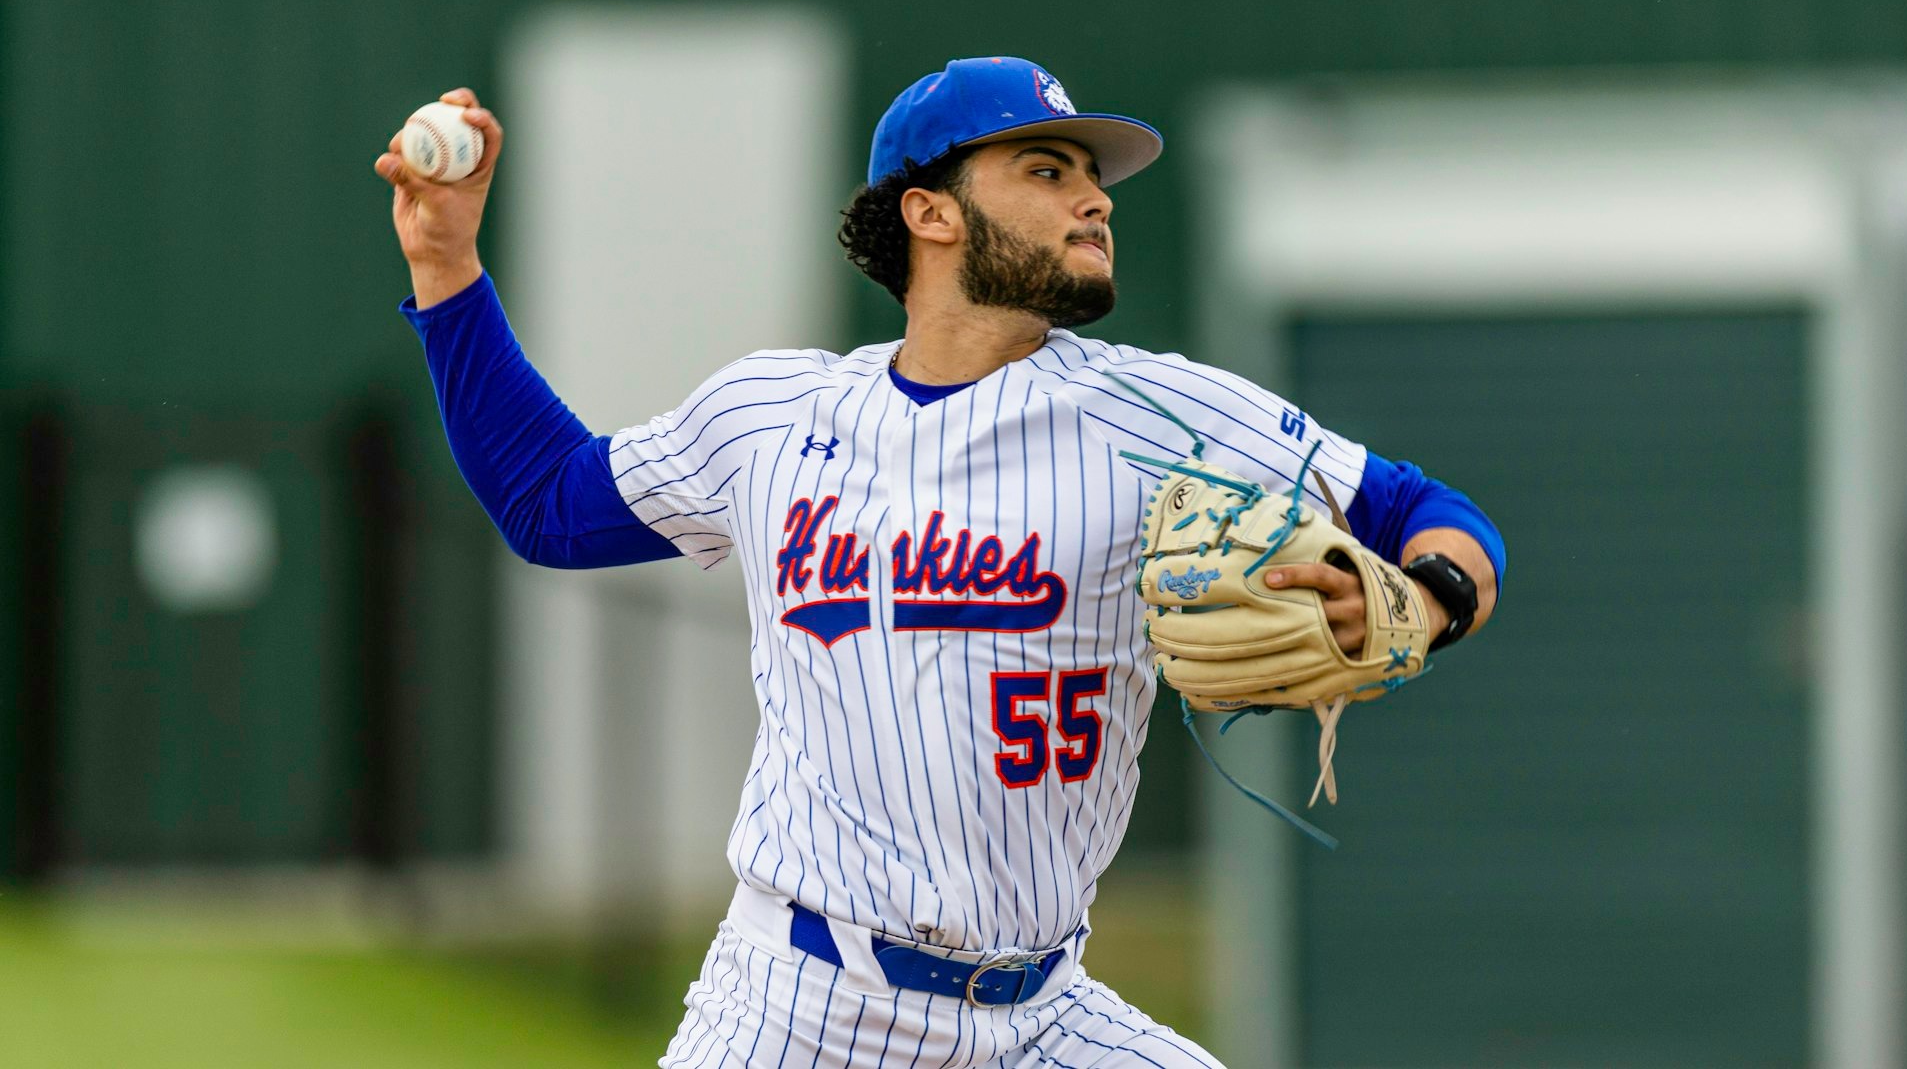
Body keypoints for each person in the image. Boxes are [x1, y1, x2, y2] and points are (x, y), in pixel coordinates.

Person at [376, 56, 1504, 1068]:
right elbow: (547, 504)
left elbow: (1425, 510)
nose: (1094, 198)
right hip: (798, 1008)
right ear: (931, 211)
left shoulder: (1160, 413)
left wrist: (1423, 596)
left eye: (1092, 176)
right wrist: (446, 262)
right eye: (1047, 168)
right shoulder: (773, 415)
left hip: (1039, 1013)